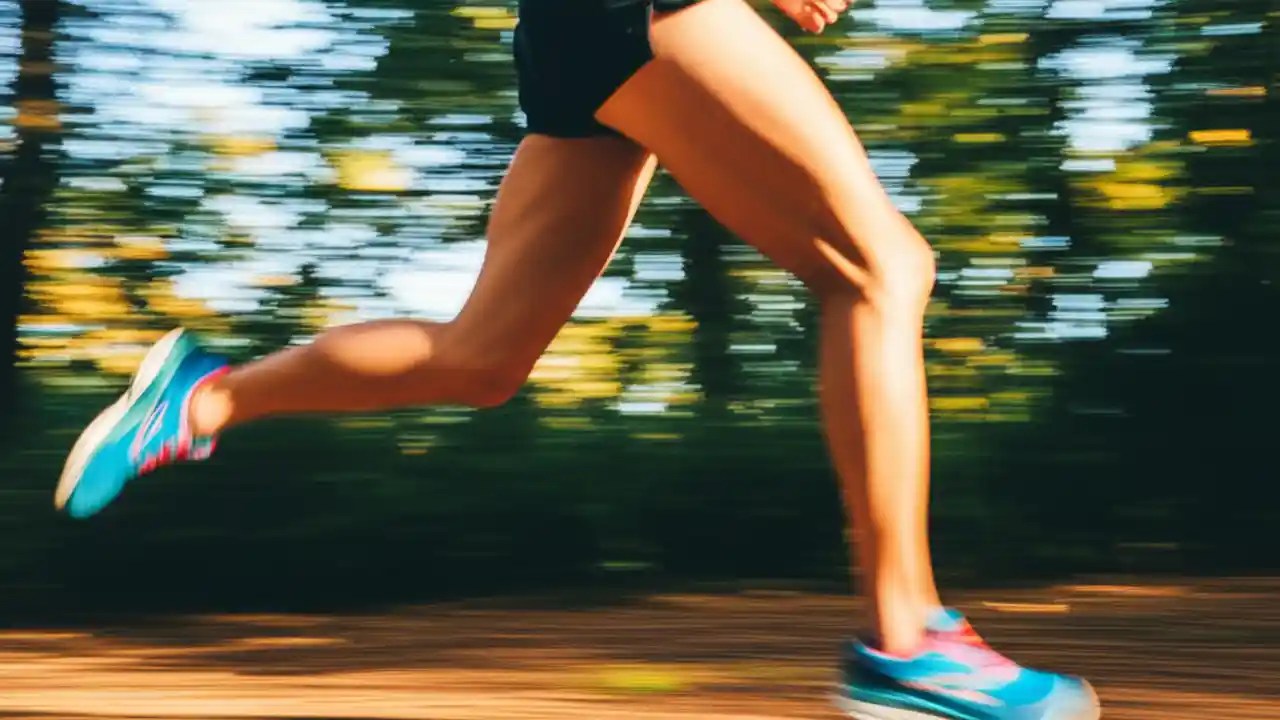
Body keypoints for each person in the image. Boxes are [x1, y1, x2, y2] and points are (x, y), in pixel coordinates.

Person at [53, 1, 1099, 718]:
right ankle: (905, 640)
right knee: (880, 269)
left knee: (482, 357)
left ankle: (205, 401)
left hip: (575, 30)